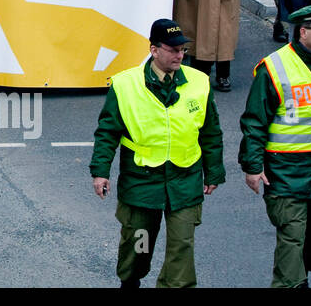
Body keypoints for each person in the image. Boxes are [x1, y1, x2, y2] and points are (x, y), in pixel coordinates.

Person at [90, 19, 224, 288]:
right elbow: (107, 132)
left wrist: (214, 171)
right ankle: (130, 281)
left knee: (181, 246)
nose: (179, 55)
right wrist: (100, 172)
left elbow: (210, 132)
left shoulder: (199, 83)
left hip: (184, 180)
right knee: (139, 243)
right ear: (154, 50)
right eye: (173, 49)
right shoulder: (126, 85)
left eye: (183, 49)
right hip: (142, 181)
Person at [239, 0, 311, 287]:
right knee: (291, 237)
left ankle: (300, 275)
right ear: (302, 32)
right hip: (286, 173)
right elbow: (254, 121)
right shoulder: (274, 68)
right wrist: (252, 165)